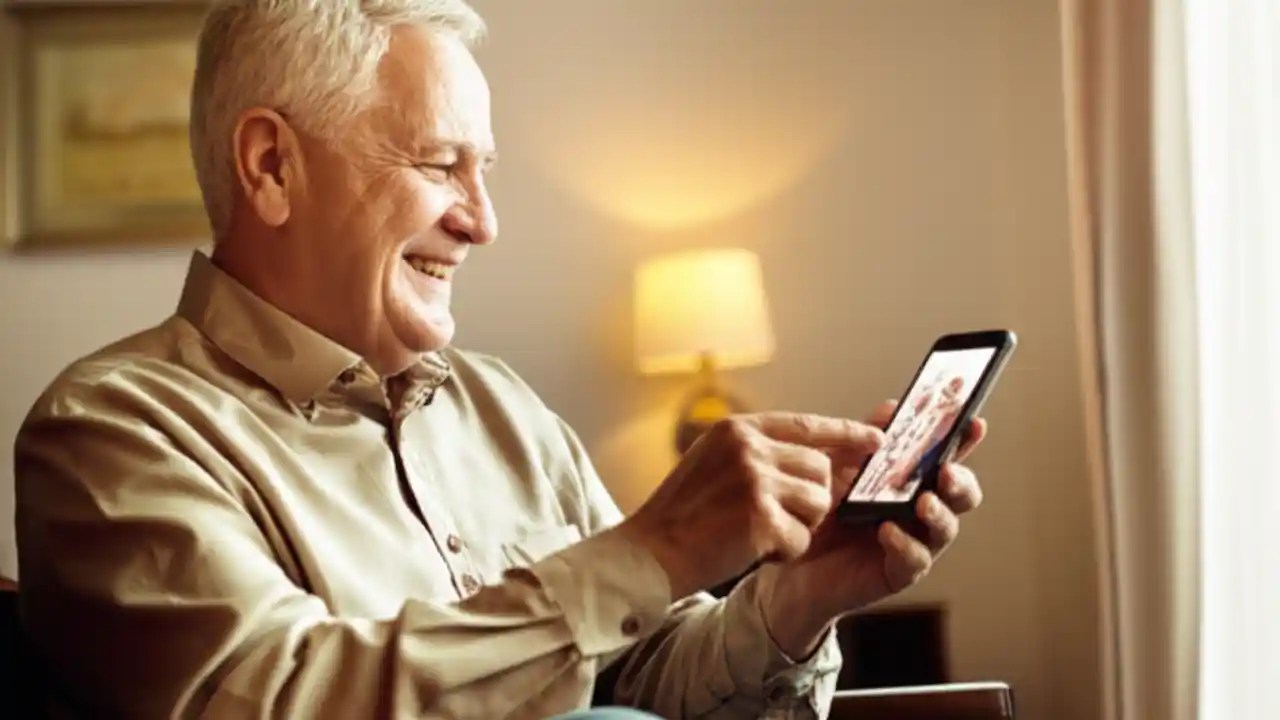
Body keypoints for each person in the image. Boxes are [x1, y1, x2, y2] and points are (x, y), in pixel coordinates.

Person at [12, 2, 988, 718]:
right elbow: (275, 702)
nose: (482, 221)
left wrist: (795, 602)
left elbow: (645, 681)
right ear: (271, 166)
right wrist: (646, 553)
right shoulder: (111, 431)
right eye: (439, 165)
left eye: (484, 170)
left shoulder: (501, 410)